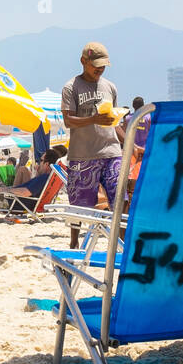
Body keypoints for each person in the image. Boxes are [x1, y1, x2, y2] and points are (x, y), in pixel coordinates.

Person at [62, 42, 122, 248]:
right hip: (83, 155)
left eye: (103, 65)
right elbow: (68, 121)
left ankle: (120, 244)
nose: (100, 69)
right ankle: (74, 243)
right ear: (83, 62)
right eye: (96, 65)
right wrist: (93, 119)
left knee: (120, 199)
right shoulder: (71, 87)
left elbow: (113, 123)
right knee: (79, 206)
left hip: (112, 152)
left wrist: (133, 142)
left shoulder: (110, 87)